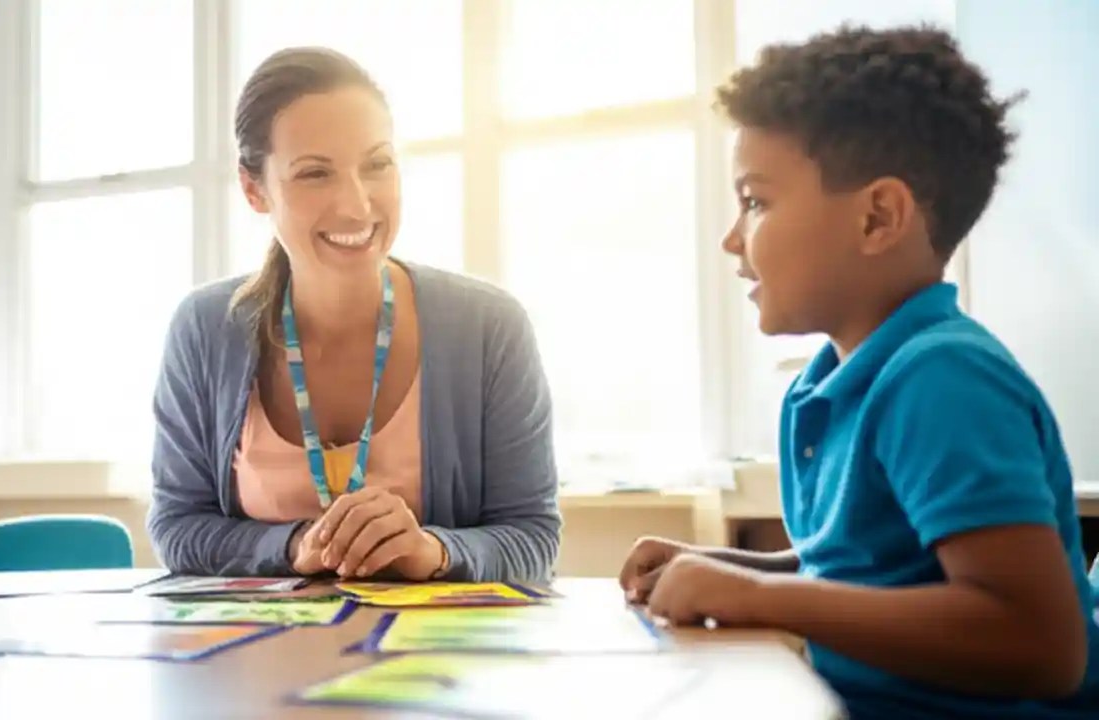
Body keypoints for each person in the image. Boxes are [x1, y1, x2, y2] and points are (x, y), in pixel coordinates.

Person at [619, 24, 1098, 718]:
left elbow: (1043, 646)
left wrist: (760, 599)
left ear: (878, 217)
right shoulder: (834, 381)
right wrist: (729, 568)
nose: (731, 239)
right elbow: (862, 571)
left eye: (755, 201)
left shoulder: (942, 379)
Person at [148, 47, 560, 584]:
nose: (358, 206)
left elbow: (533, 536)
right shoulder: (204, 329)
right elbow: (177, 528)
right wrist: (293, 546)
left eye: (377, 165)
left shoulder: (490, 328)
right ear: (254, 190)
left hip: (434, 663)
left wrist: (434, 550)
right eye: (315, 173)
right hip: (257, 661)